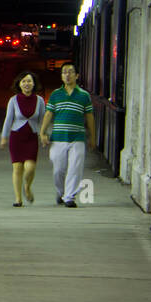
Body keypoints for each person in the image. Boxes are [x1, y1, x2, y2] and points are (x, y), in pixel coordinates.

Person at [38, 62, 96, 207]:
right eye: (64, 72)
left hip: (77, 137)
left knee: (75, 168)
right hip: (58, 137)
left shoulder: (84, 96)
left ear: (77, 76)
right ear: (62, 76)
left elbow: (89, 117)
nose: (67, 75)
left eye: (70, 72)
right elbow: (49, 113)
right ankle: (61, 192)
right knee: (58, 169)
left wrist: (93, 137)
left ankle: (70, 197)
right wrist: (42, 132)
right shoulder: (56, 94)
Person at [0, 71, 44, 207]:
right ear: (19, 84)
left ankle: (27, 187)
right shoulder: (13, 100)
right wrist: (4, 137)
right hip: (16, 136)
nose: (26, 84)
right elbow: (8, 120)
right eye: (24, 81)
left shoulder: (40, 100)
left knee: (30, 167)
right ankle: (18, 199)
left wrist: (43, 134)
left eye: (29, 81)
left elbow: (43, 119)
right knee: (17, 168)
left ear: (34, 84)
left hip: (31, 136)